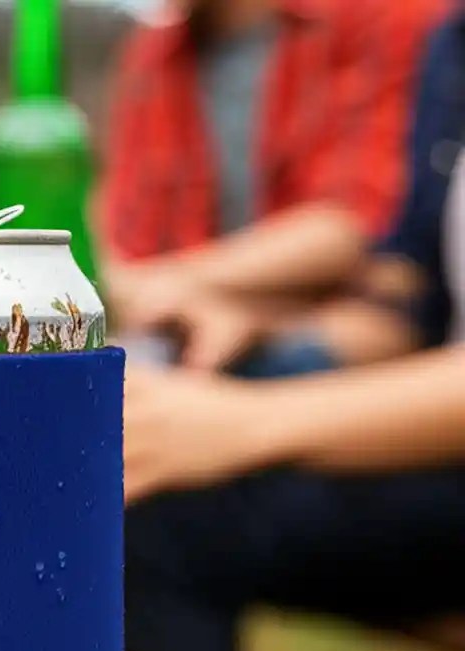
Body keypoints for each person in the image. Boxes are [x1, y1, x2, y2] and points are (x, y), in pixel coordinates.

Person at [122, 10, 465, 651]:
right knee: (151, 502)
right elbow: (399, 315)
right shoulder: (454, 46)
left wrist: (247, 423)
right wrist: (257, 326)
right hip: (435, 453)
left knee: (174, 507)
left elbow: (345, 224)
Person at [99, 0, 447, 376]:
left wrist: (167, 285)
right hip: (197, 320)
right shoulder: (155, 52)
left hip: (343, 324)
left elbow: (355, 227)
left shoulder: (384, 17)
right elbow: (127, 236)